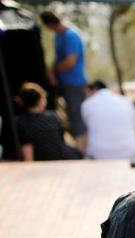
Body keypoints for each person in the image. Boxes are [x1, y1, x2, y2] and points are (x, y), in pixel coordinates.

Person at [40, 9, 87, 154]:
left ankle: (82, 152)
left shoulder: (71, 35)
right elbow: (59, 59)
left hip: (75, 83)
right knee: (68, 117)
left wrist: (53, 70)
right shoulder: (58, 36)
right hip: (64, 83)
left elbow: (70, 62)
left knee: (76, 117)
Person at [15, 82, 82, 161]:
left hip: (42, 162)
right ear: (40, 101)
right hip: (62, 158)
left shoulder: (20, 122)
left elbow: (28, 155)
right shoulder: (53, 117)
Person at [81, 80, 135, 159]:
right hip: (130, 152)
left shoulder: (86, 104)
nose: (86, 96)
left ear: (94, 89)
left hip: (99, 155)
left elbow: (86, 132)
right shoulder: (125, 101)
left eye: (86, 93)